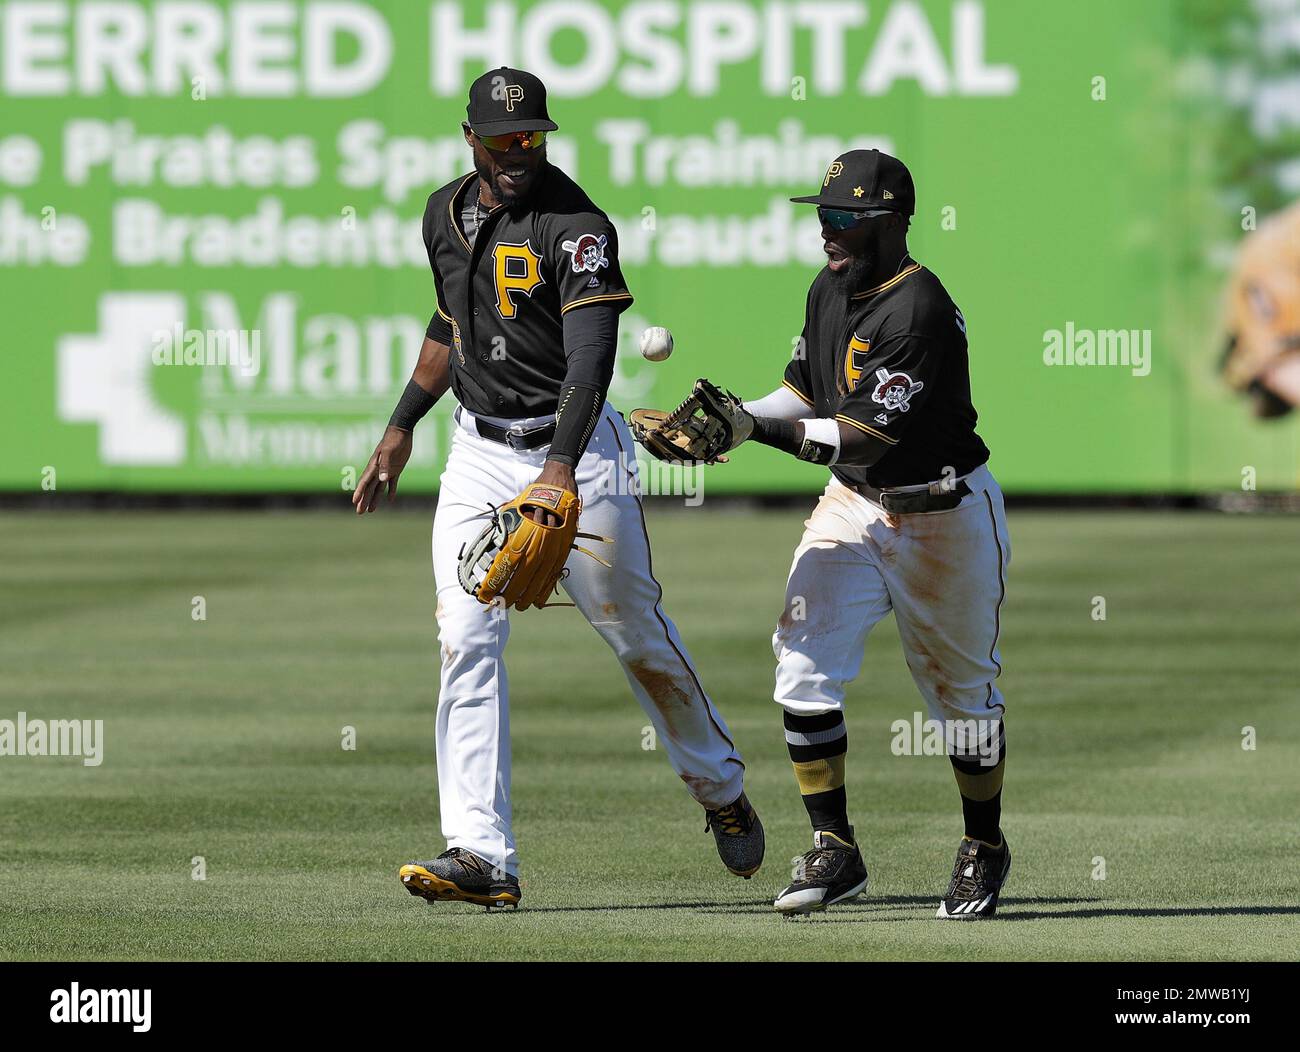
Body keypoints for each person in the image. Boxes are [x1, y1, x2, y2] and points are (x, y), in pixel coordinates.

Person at [351, 67, 762, 910]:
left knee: (636, 635)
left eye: (532, 135)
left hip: (577, 452)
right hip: (476, 451)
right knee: (466, 639)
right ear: (472, 139)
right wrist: (401, 424)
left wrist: (559, 472)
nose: (519, 151)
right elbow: (450, 322)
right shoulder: (442, 212)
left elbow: (591, 358)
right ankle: (481, 854)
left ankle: (720, 790)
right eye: (503, 138)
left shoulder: (576, 226)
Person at [637, 149, 1011, 919]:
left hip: (941, 513)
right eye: (821, 215)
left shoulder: (919, 312)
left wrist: (750, 432)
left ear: (892, 222)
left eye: (843, 218)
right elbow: (803, 392)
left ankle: (984, 844)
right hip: (852, 505)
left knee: (962, 699)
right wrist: (732, 420)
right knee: (801, 669)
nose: (826, 231)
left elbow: (863, 437)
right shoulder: (831, 285)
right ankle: (835, 848)